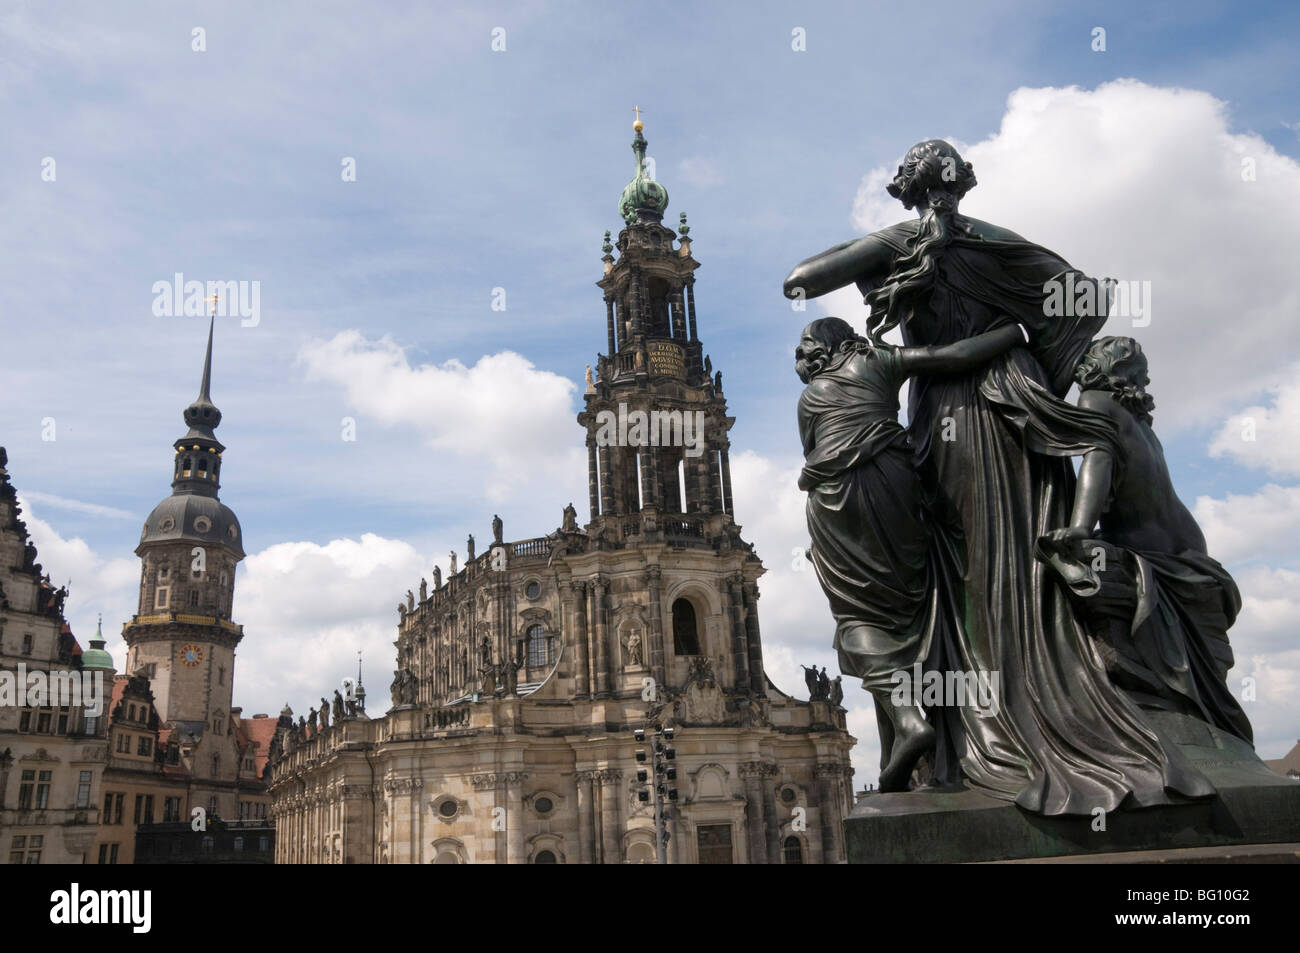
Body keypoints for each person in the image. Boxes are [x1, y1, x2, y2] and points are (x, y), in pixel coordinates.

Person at [785, 139, 1211, 814]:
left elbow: (801, 280)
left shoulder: (901, 240)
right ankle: (1045, 701)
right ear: (965, 185)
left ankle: (981, 737)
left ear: (904, 190)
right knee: (1016, 559)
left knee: (961, 574)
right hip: (1015, 404)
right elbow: (1083, 299)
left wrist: (900, 243)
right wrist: (1024, 339)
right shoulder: (1000, 240)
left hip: (947, 410)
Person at [796, 315, 1024, 790]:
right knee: (910, 604)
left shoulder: (809, 398)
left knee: (857, 616)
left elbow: (812, 453)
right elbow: (952, 356)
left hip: (833, 503)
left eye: (805, 343)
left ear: (828, 343)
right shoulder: (878, 360)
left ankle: (907, 720)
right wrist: (1012, 331)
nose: (800, 355)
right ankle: (919, 727)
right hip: (893, 483)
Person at [1038, 337, 1252, 743]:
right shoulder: (1140, 422)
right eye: (1142, 372)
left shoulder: (1096, 401)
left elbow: (1098, 459)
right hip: (1188, 549)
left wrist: (1081, 528)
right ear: (1126, 374)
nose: (1148, 378)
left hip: (1152, 552)